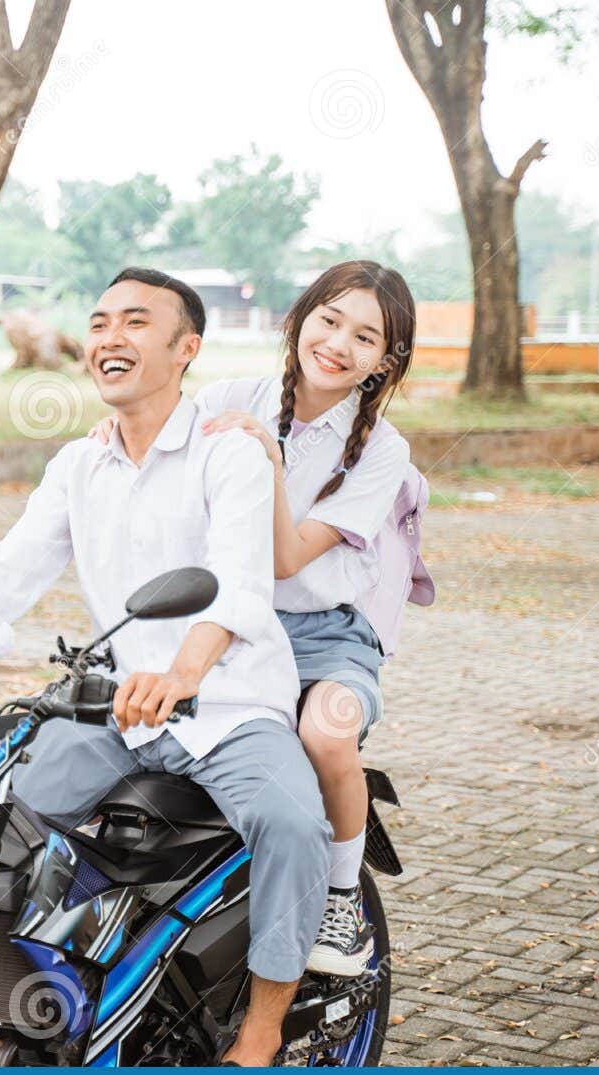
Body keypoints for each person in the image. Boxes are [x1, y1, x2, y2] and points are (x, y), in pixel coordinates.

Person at [0, 268, 330, 1067]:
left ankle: (262, 1027)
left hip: (227, 704)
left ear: (186, 349)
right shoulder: (79, 463)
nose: (110, 337)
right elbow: (12, 566)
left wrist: (181, 672)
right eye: (100, 321)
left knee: (292, 823)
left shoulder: (228, 455)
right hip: (112, 707)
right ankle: (58, 994)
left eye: (135, 322)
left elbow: (240, 583)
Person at [192, 260, 417, 977]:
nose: (339, 343)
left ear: (384, 362)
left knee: (326, 728)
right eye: (329, 319)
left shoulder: (382, 450)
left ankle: (341, 900)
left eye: (365, 336)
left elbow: (287, 559)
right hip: (227, 619)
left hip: (325, 638)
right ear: (300, 318)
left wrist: (266, 455)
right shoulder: (227, 395)